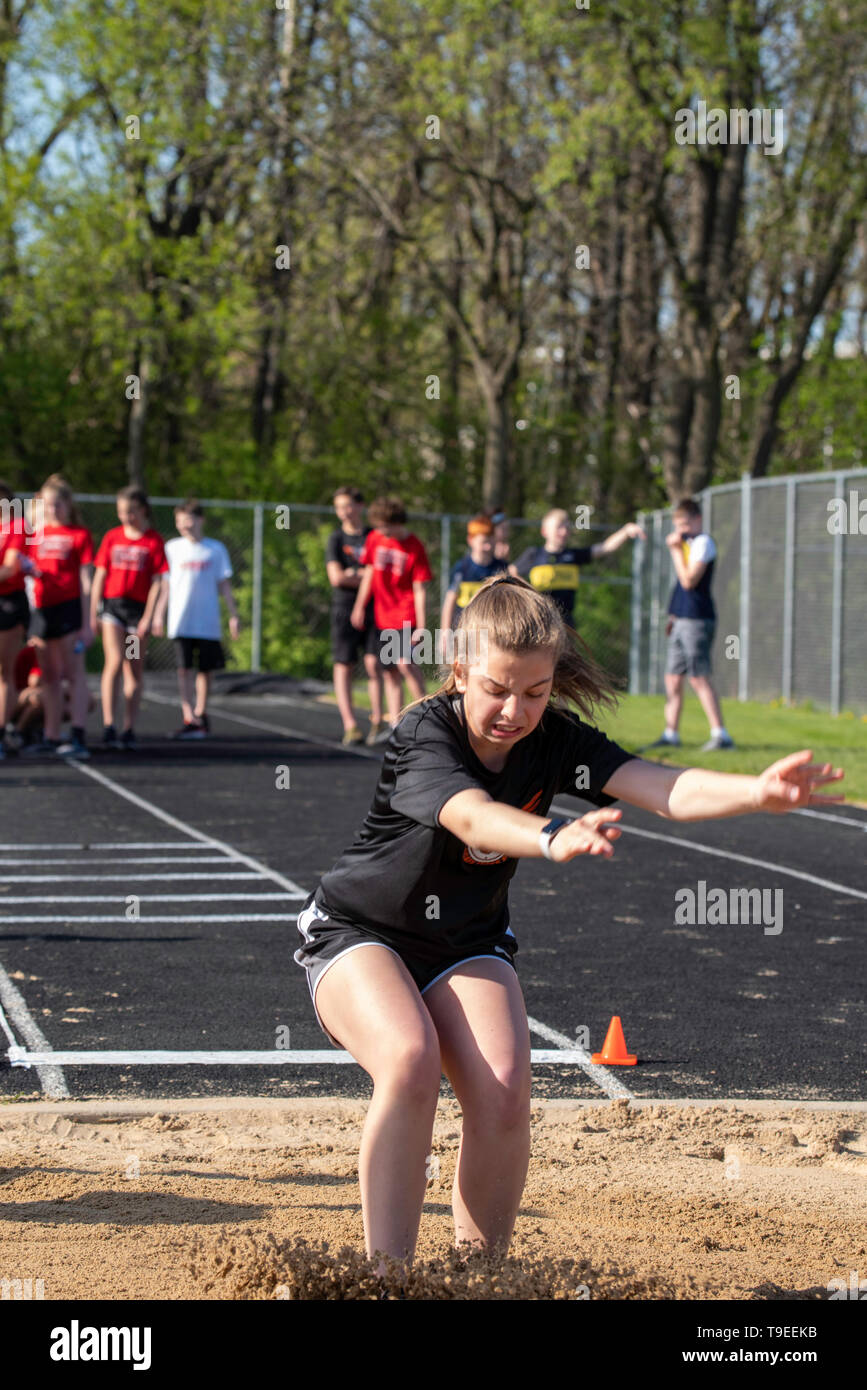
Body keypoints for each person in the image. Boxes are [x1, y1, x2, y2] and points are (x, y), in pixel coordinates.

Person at [294, 573, 843, 1274]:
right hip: (358, 933)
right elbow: (468, 815)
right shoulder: (421, 732)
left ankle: (477, 1278)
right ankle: (384, 1277)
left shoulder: (552, 738)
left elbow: (658, 785)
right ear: (459, 670)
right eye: (495, 688)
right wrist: (549, 837)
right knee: (409, 1060)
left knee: (503, 1086)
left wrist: (756, 793)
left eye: (534, 691)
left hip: (464, 941)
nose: (512, 710)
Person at [645, 496, 734, 753]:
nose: (680, 531)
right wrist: (673, 616)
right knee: (673, 679)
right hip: (681, 618)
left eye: (685, 524)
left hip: (696, 619)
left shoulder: (704, 543)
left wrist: (674, 550)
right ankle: (670, 733)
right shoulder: (687, 543)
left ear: (698, 520)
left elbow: (689, 581)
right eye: (677, 525)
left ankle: (721, 735)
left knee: (698, 677)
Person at [152, 498, 239, 739]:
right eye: (179, 521)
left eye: (187, 520)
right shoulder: (172, 548)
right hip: (181, 620)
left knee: (205, 670)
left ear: (200, 520)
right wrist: (159, 614)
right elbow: (165, 586)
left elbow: (224, 585)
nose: (183, 525)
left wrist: (233, 615)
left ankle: (201, 712)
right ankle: (188, 714)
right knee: (184, 669)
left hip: (208, 621)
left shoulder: (216, 549)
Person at [91, 486, 168, 750]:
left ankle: (128, 727)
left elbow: (158, 582)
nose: (126, 517)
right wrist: (94, 612)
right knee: (113, 661)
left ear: (143, 510)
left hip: (137, 613)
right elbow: (100, 575)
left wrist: (149, 618)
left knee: (133, 668)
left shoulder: (153, 541)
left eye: (131, 512)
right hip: (113, 609)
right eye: (122, 512)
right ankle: (109, 724)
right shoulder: (112, 537)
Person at [23, 475, 94, 759]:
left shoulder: (79, 535)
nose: (54, 510)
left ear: (68, 504)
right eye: (49, 505)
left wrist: (88, 622)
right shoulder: (34, 534)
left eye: (59, 505)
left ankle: (77, 736)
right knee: (50, 676)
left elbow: (87, 579)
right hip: (41, 611)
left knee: (73, 674)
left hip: (69, 608)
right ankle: (51, 736)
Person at [350, 496, 432, 735]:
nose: (380, 531)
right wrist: (359, 605)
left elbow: (420, 588)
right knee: (389, 672)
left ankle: (428, 716)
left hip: (405, 614)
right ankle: (396, 725)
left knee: (405, 664)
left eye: (384, 526)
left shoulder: (414, 546)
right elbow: (368, 574)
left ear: (396, 523)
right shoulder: (375, 538)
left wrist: (422, 626)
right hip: (382, 616)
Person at [510, 507, 645, 628]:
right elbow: (512, 571)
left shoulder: (573, 555)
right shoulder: (534, 554)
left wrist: (626, 531)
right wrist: (529, 593)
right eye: (559, 528)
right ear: (545, 531)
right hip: (540, 621)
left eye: (566, 528)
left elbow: (605, 547)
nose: (563, 532)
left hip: (566, 623)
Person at [326, 487, 385, 747]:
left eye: (348, 505)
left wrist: (357, 574)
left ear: (360, 506)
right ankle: (350, 725)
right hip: (344, 608)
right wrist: (365, 574)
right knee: (344, 665)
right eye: (339, 507)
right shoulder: (336, 539)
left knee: (375, 664)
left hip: (375, 607)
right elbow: (336, 577)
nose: (344, 512)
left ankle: (377, 720)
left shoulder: (374, 535)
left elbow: (380, 573)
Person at [0, 480, 31, 760]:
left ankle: (2, 732)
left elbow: (9, 569)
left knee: (3, 671)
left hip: (8, 604)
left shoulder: (17, 527)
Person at [440, 514, 508, 632]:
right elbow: (450, 601)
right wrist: (445, 632)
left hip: (492, 632)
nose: (488, 547)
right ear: (470, 541)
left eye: (491, 542)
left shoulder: (501, 568)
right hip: (464, 630)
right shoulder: (462, 568)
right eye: (483, 542)